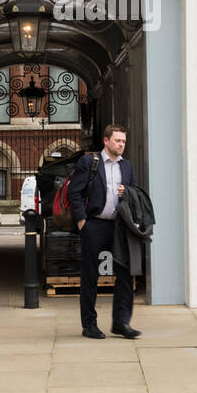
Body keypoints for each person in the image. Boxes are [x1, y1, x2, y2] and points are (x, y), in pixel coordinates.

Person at [68, 124, 140, 339]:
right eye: (118, 140)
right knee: (91, 276)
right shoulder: (89, 162)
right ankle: (89, 324)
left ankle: (121, 323)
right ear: (106, 141)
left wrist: (126, 192)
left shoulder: (126, 166)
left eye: (124, 141)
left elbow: (134, 194)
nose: (121, 145)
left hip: (119, 226)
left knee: (125, 274)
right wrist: (82, 222)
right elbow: (74, 192)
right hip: (95, 225)